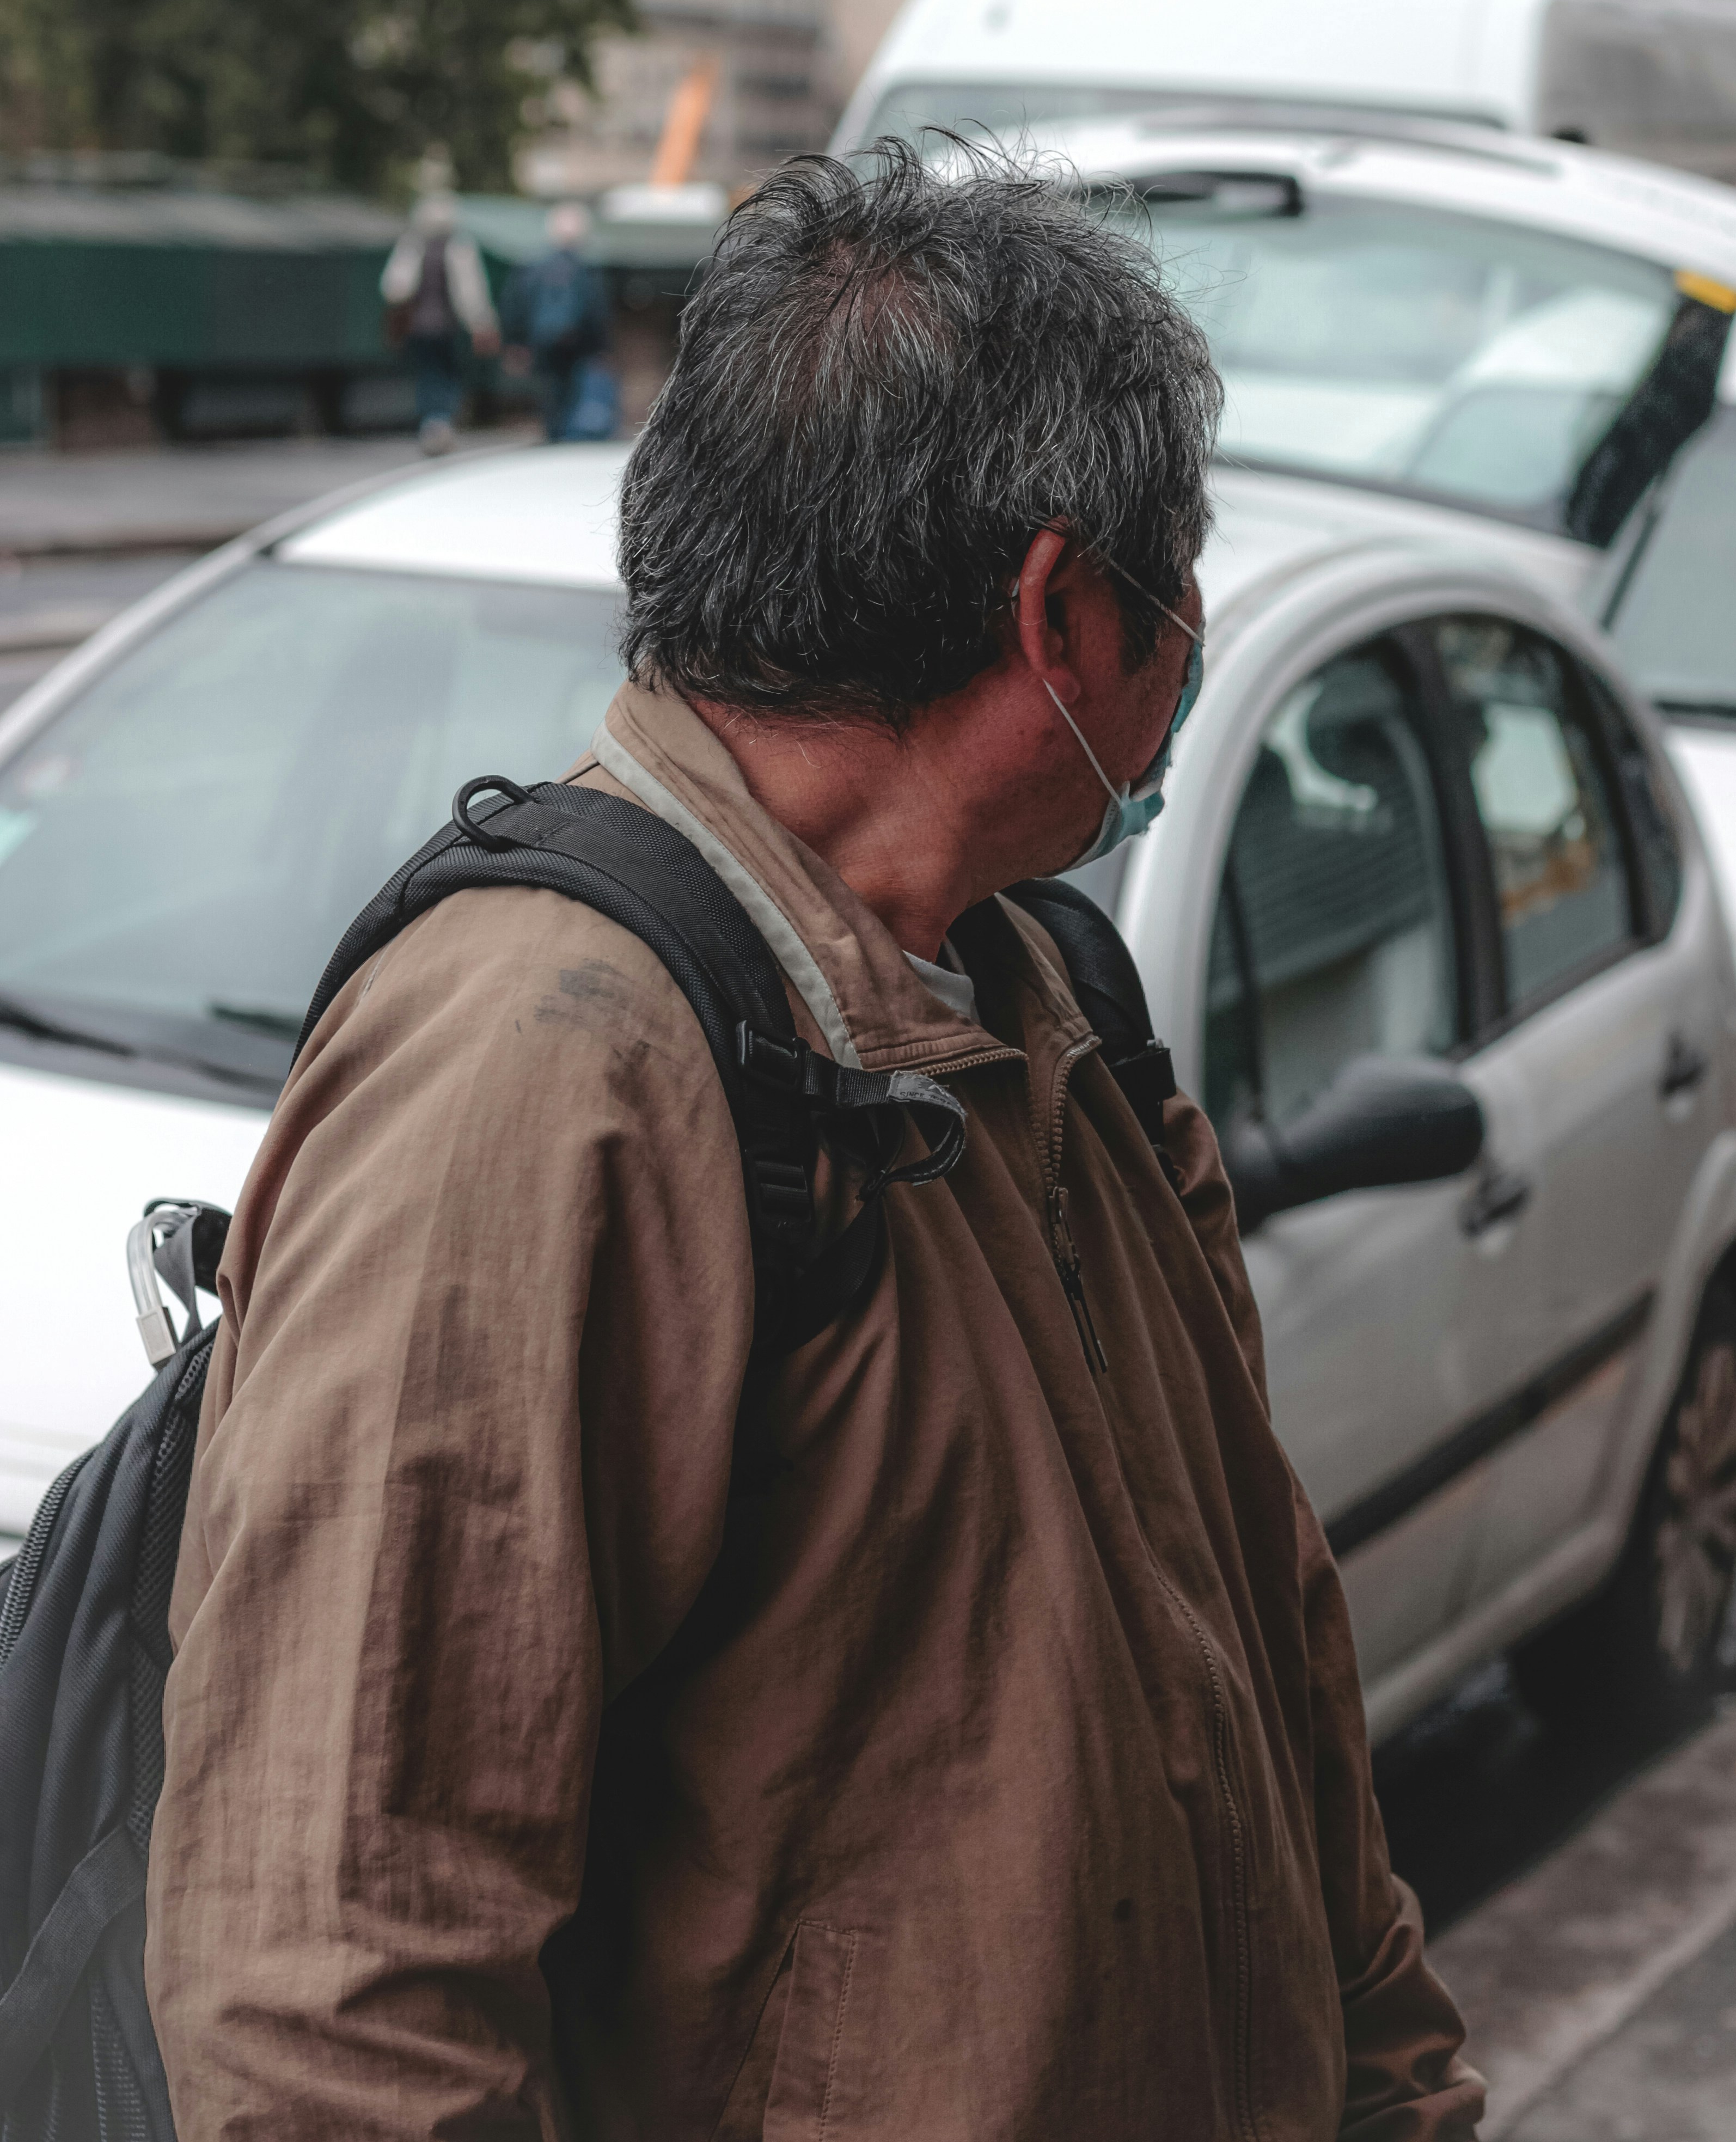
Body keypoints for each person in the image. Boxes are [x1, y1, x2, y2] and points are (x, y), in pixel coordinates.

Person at [147, 144, 1483, 2141]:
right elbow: (335, 1991)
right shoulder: (541, 1071)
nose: (1193, 635)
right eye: (1176, 577)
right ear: (1057, 611)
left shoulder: (1048, 999)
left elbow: (1277, 1695)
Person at [380, 188, 500, 454]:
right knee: (447, 374)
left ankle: (431, 424)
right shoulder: (459, 247)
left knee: (429, 374)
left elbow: (393, 287)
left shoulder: (413, 245)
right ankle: (442, 422)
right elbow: (472, 292)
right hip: (447, 327)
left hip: (420, 327)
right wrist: (482, 323)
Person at [501, 199, 617, 442]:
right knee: (573, 387)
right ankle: (567, 433)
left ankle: (553, 432)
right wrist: (601, 347)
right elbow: (596, 310)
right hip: (577, 342)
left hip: (542, 339)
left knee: (550, 387)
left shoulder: (532, 267)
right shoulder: (585, 268)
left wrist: (516, 342)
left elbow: (515, 305)